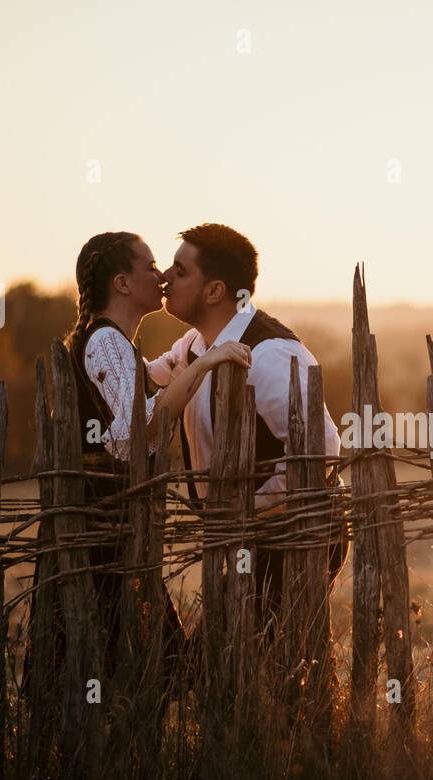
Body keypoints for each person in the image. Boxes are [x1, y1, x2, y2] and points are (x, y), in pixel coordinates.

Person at [62, 230, 251, 691]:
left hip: (116, 533)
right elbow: (133, 434)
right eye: (151, 267)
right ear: (123, 284)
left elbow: (147, 384)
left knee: (143, 666)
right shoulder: (105, 341)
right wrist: (205, 365)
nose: (162, 275)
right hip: (105, 534)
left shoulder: (114, 344)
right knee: (149, 666)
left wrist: (194, 355)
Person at [154, 223, 349, 637]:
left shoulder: (270, 353)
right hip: (244, 537)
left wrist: (251, 509)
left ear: (214, 291)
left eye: (179, 271)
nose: (165, 278)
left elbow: (323, 448)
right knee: (224, 658)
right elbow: (146, 380)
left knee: (262, 660)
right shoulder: (192, 345)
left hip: (290, 537)